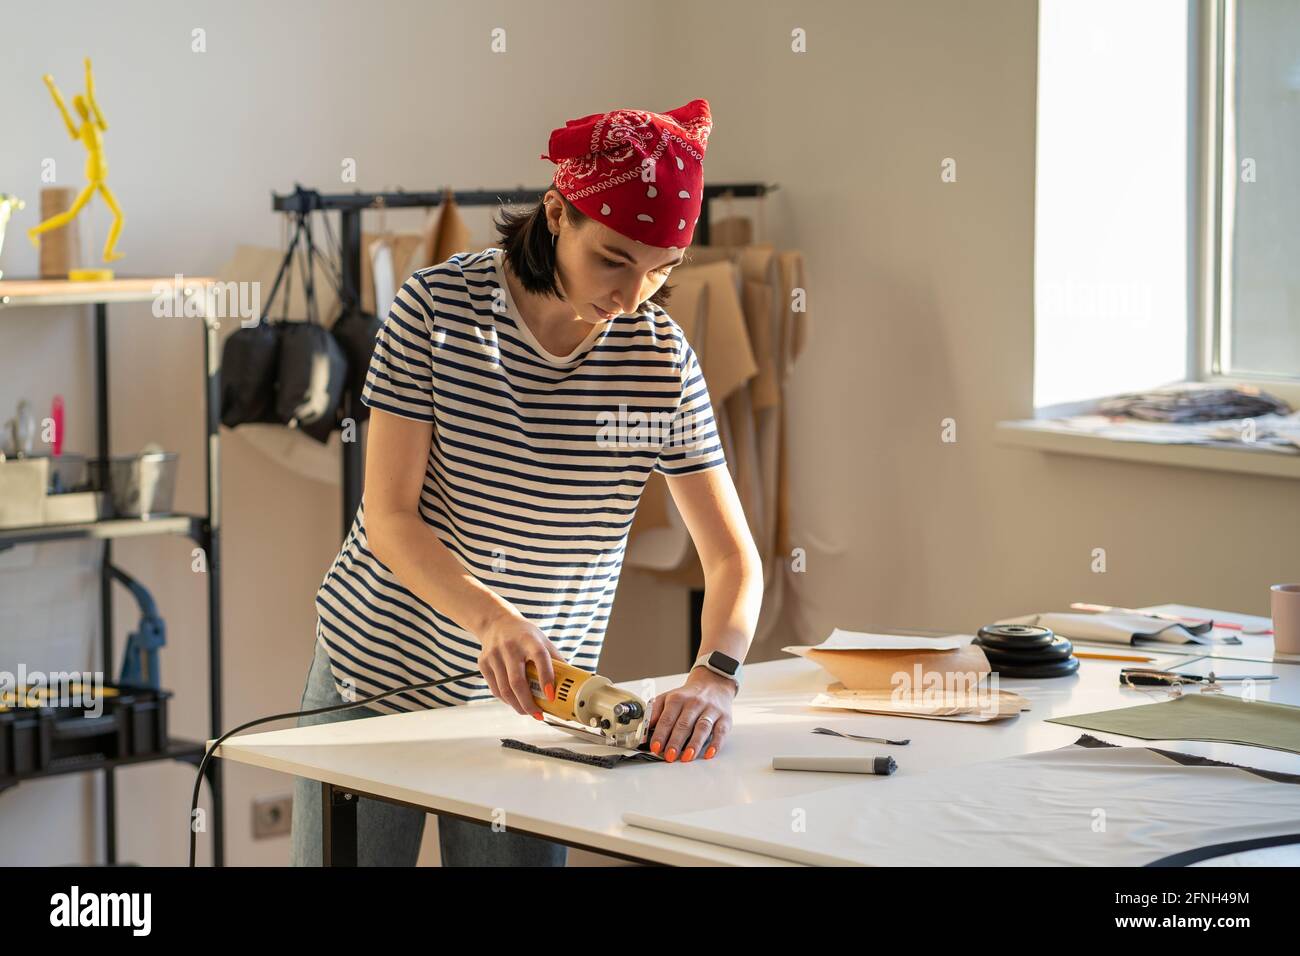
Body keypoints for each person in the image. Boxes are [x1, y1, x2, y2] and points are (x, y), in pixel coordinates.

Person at [290, 98, 763, 866]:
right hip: (374, 680)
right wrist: (492, 620)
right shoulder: (437, 310)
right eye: (613, 259)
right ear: (557, 213)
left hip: (537, 706)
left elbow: (733, 560)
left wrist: (716, 674)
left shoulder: (659, 358)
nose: (630, 297)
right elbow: (390, 518)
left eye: (660, 271)